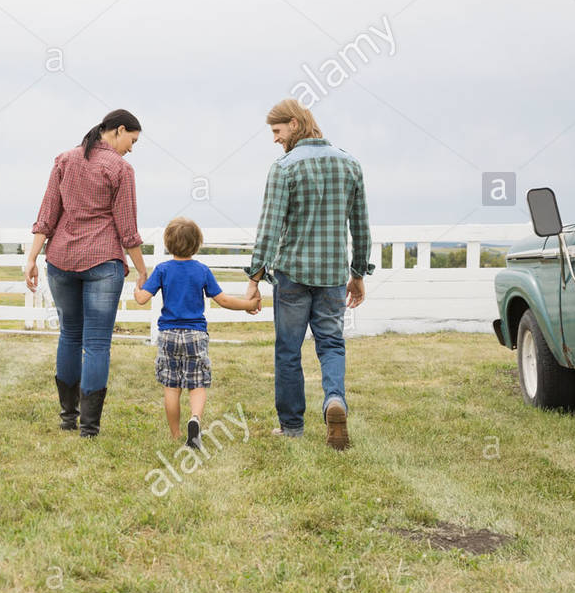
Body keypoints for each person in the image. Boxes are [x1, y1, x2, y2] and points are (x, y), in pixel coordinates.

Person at [244, 99, 372, 450]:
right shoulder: (350, 164)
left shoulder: (284, 168)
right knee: (331, 344)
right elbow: (360, 226)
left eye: (277, 131)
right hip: (332, 274)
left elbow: (269, 229)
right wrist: (358, 272)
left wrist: (254, 277)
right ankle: (335, 401)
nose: (274, 139)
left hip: (292, 274)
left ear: (296, 125)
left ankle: (291, 426)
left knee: (288, 349)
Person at [24, 109, 147, 437]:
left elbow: (46, 216)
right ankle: (89, 428)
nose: (131, 148)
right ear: (118, 130)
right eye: (132, 140)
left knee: (69, 335)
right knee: (96, 344)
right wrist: (142, 270)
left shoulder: (64, 160)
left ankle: (68, 418)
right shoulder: (121, 169)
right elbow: (127, 229)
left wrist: (32, 259)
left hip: (61, 260)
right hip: (102, 262)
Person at [133, 217, 260, 450]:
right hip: (196, 334)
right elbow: (222, 300)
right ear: (197, 244)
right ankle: (195, 419)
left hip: (168, 334)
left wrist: (136, 288)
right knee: (197, 383)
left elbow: (142, 299)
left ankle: (175, 434)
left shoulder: (162, 270)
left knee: (172, 386)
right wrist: (248, 305)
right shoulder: (201, 270)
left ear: (169, 243)